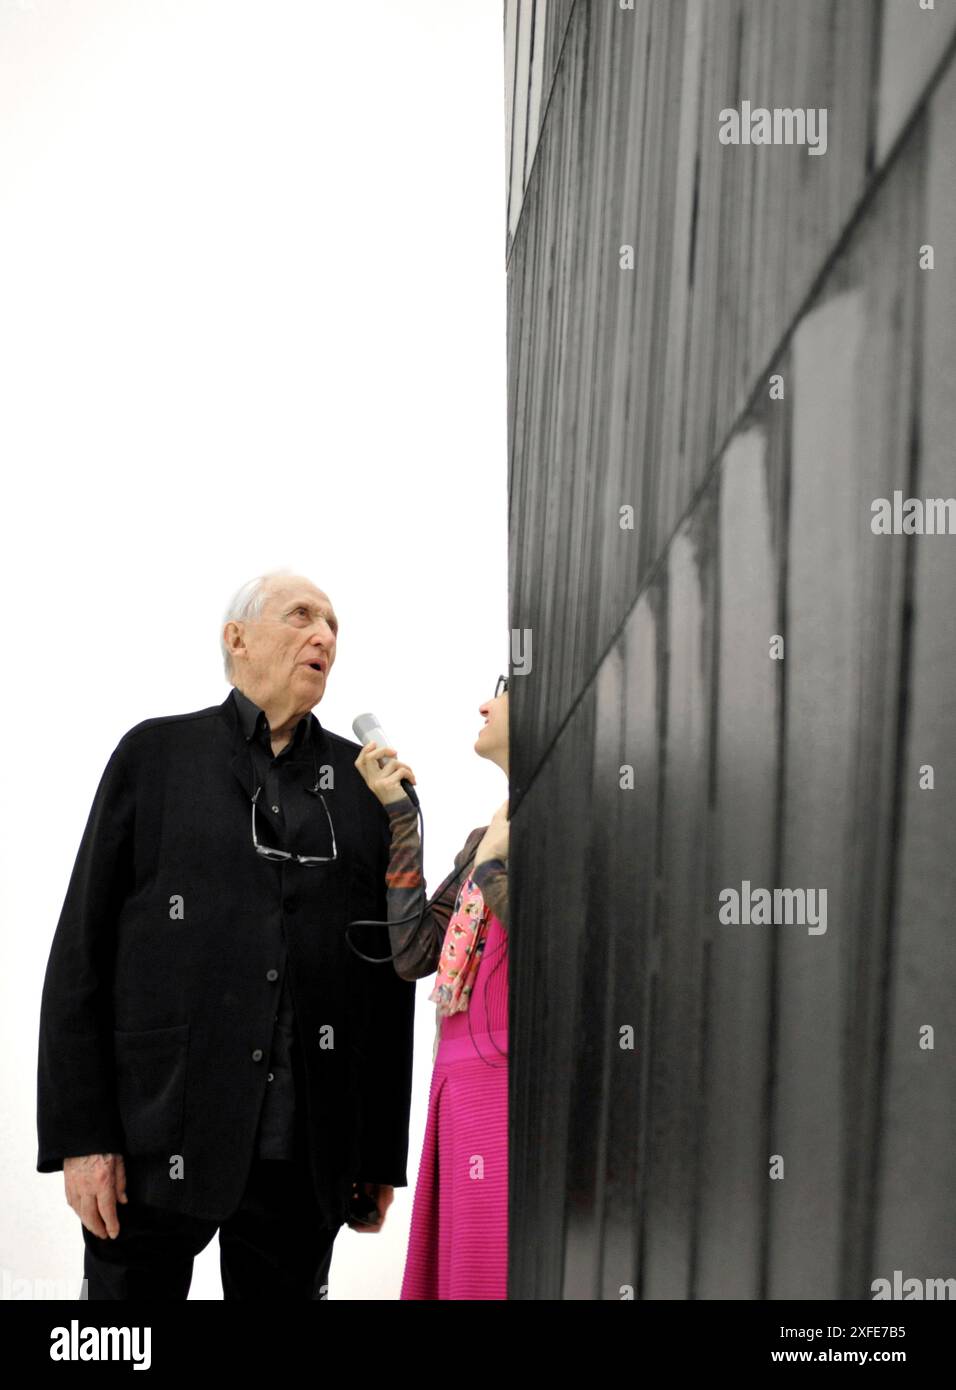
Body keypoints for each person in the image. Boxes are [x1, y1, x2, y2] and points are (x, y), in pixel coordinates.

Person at [36, 569, 415, 1300]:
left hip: (302, 1151)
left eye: (334, 625)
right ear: (237, 639)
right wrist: (82, 1139)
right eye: (302, 615)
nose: (325, 636)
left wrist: (373, 1153)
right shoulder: (154, 758)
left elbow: (381, 979)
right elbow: (81, 953)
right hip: (154, 1136)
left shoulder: (362, 787)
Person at [354, 675, 510, 1299]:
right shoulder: (489, 834)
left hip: (507, 1088)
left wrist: (497, 865)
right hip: (461, 1088)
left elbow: (556, 942)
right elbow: (414, 952)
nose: (484, 702)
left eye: (504, 688)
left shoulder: (564, 821)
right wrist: (400, 815)